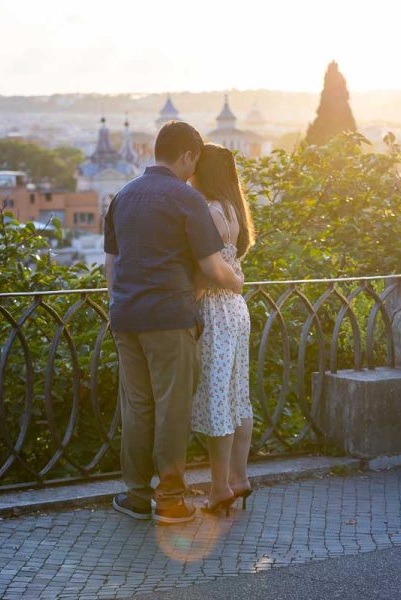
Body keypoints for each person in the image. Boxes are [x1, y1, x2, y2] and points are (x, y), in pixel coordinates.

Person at [104, 121, 244, 525]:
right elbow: (212, 267)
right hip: (168, 316)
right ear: (187, 155)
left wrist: (120, 302)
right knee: (172, 407)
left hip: (126, 316)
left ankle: (135, 496)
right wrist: (236, 280)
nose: (193, 169)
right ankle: (170, 500)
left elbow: (111, 264)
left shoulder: (123, 196)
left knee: (138, 407)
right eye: (194, 160)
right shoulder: (186, 199)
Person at [189, 143, 256, 516]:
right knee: (237, 396)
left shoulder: (210, 211)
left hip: (214, 309)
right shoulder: (233, 210)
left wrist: (191, 296)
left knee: (217, 398)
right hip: (235, 309)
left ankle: (218, 489)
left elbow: (207, 270)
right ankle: (239, 478)